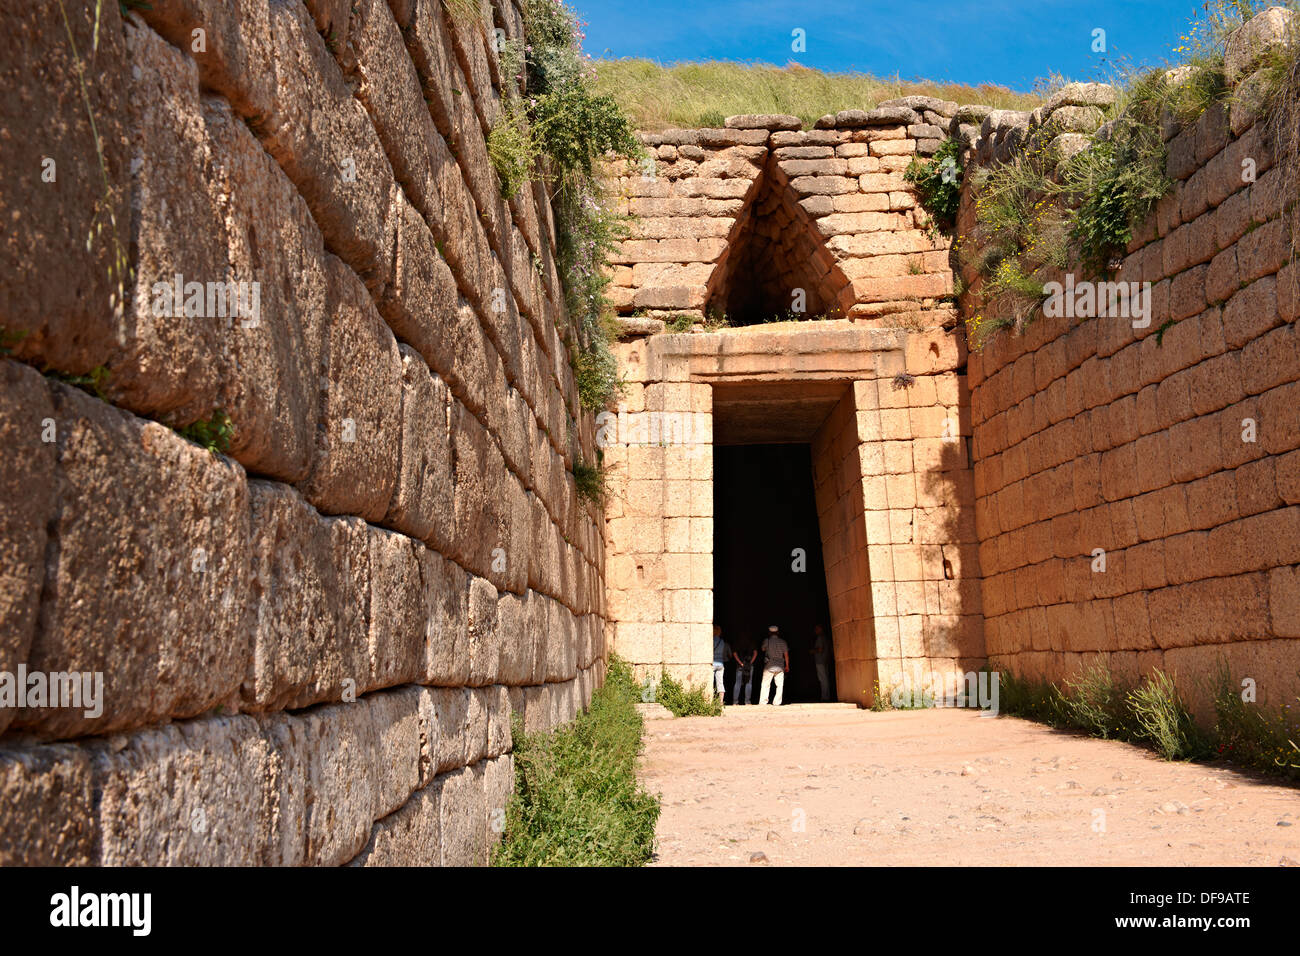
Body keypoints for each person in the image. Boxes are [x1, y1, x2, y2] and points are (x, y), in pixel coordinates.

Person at [758, 625, 789, 706]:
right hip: (780, 666)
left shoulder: (766, 641)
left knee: (765, 684)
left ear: (769, 633)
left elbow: (762, 649)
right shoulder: (783, 642)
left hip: (769, 666)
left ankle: (763, 702)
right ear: (778, 633)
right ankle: (777, 702)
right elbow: (786, 655)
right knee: (779, 685)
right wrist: (787, 666)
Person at [732, 637, 758, 705]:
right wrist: (750, 663)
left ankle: (735, 702)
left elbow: (734, 653)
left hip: (740, 665)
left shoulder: (738, 641)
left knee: (737, 683)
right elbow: (755, 653)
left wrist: (740, 663)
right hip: (749, 666)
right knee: (748, 683)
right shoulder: (751, 642)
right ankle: (747, 702)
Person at [811, 624, 833, 702]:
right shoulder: (826, 638)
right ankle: (827, 696)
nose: (815, 631)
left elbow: (820, 649)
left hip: (820, 661)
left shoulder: (820, 638)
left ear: (820, 629)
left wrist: (812, 651)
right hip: (825, 660)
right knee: (825, 678)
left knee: (823, 679)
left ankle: (825, 697)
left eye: (817, 629)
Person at [712, 625, 731, 704]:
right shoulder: (722, 641)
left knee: (711, 682)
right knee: (720, 682)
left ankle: (710, 700)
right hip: (721, 663)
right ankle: (721, 701)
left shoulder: (711, 640)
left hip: (712, 663)